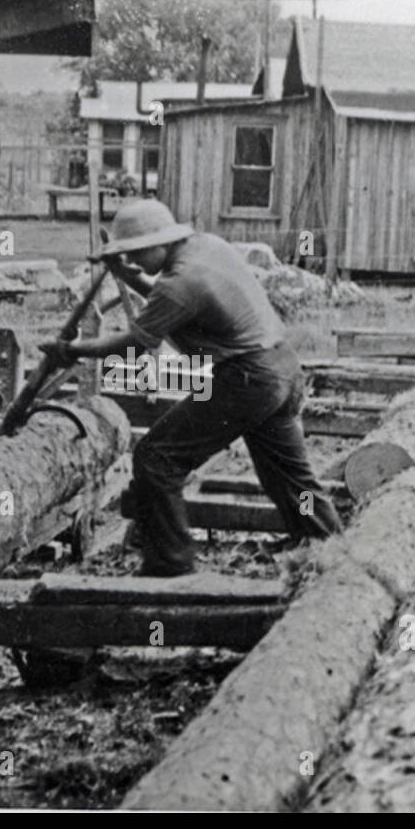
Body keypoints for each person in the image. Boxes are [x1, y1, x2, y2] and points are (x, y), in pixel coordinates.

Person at [42, 200, 342, 576]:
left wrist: (71, 351)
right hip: (281, 367)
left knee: (156, 458)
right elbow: (171, 301)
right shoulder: (206, 247)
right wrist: (125, 272)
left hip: (246, 380)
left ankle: (170, 563)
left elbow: (138, 342)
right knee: (286, 474)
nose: (133, 261)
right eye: (126, 255)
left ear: (162, 242)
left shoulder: (179, 283)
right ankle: (327, 545)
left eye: (136, 253)